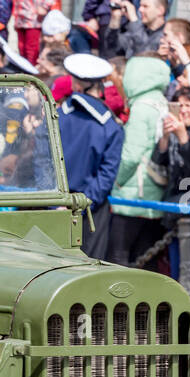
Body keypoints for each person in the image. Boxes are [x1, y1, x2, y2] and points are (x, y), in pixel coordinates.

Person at [57, 53, 125, 260]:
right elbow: (105, 177)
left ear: (76, 85)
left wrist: (56, 204)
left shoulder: (56, 116)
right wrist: (81, 204)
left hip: (54, 203)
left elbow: (43, 163)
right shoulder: (110, 126)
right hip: (89, 211)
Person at [109, 54, 171, 267]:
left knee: (119, 260)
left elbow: (132, 154)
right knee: (146, 262)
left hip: (133, 193)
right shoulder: (162, 103)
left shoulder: (141, 108)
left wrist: (115, 181)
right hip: (154, 194)